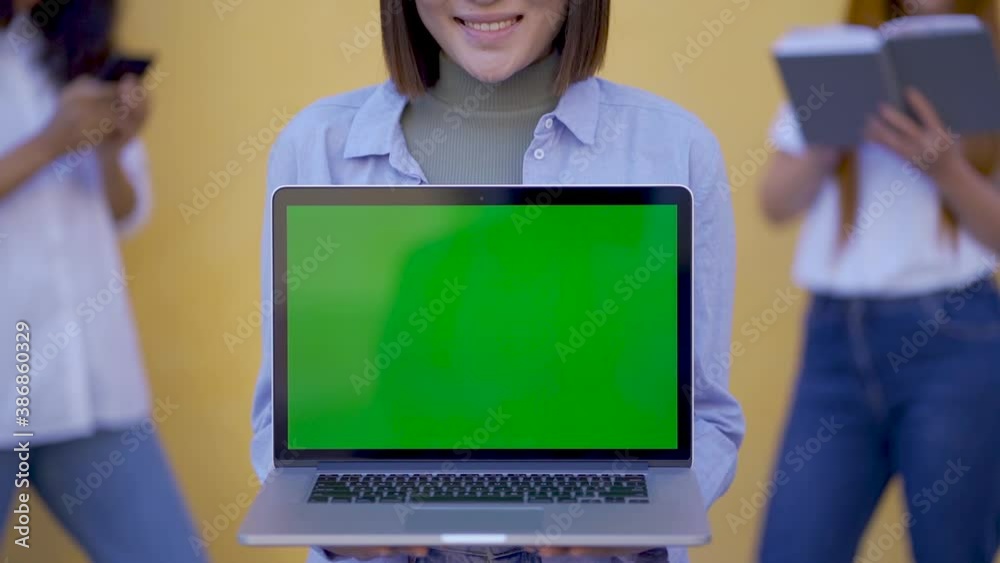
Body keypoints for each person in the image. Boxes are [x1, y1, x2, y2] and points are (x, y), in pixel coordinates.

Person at [251, 1, 745, 562]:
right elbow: (282, 426)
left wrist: (632, 523)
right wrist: (347, 524)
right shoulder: (313, 146)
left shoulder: (674, 147)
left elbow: (706, 418)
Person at [757, 0, 1000, 561]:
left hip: (957, 345)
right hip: (835, 345)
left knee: (952, 550)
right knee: (794, 546)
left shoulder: (985, 67)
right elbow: (774, 203)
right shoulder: (842, 60)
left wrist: (948, 171)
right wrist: (828, 137)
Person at [0, 1, 207, 561]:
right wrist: (50, 143)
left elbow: (123, 209)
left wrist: (112, 146)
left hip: (91, 386)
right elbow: (49, 148)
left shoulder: (65, 50)